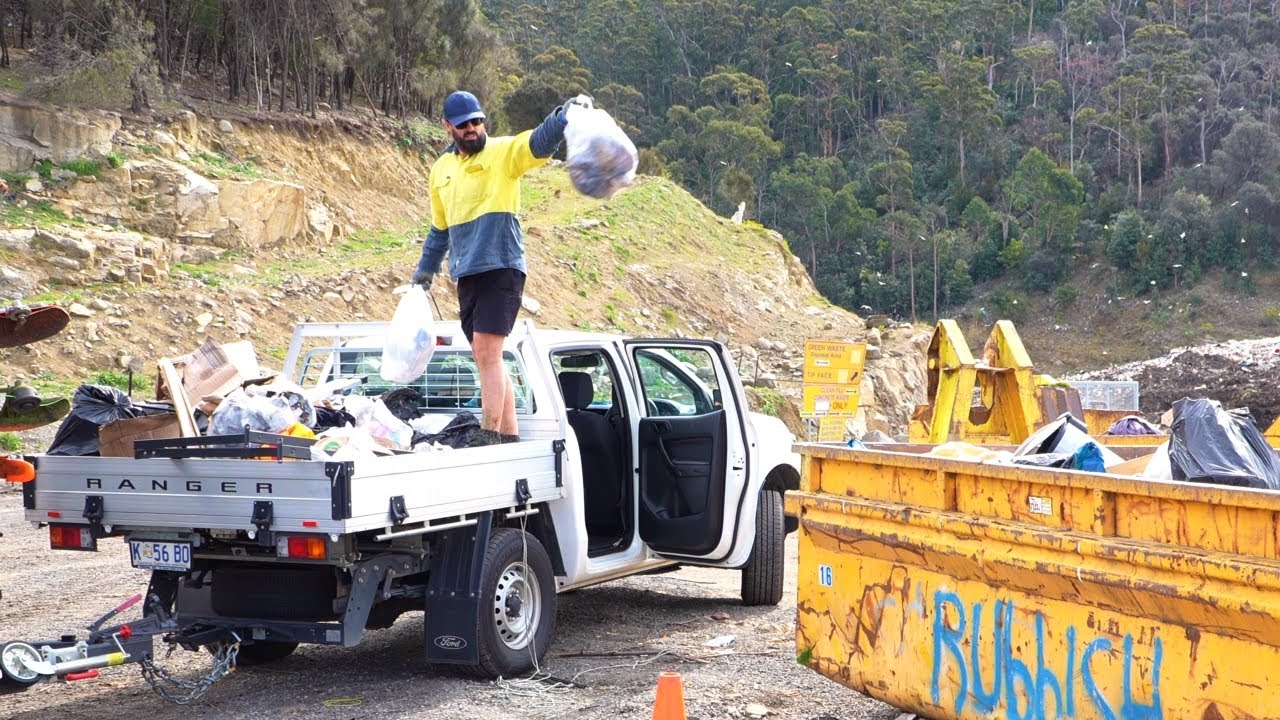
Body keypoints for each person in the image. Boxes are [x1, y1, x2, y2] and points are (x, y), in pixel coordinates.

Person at [412, 90, 583, 447]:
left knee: (488, 352)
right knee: (483, 355)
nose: (472, 129)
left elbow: (537, 143)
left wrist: (563, 116)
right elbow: (439, 229)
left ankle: (488, 434)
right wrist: (426, 270)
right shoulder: (440, 171)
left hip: (502, 266)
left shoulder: (503, 152)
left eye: (477, 121)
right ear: (447, 126)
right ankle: (507, 437)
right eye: (464, 125)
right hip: (467, 273)